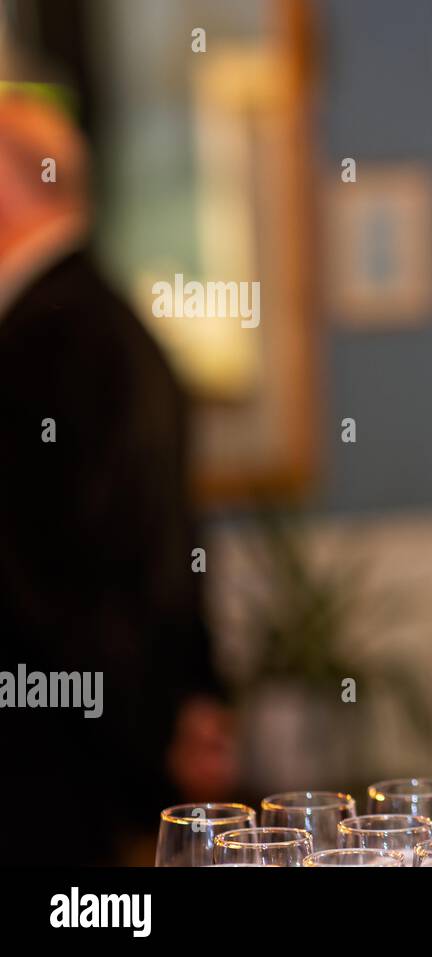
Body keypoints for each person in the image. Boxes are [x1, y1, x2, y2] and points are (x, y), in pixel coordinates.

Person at [0, 86, 235, 863]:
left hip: (52, 742)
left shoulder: (45, 338)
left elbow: (64, 565)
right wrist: (190, 691)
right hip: (103, 727)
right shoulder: (114, 323)